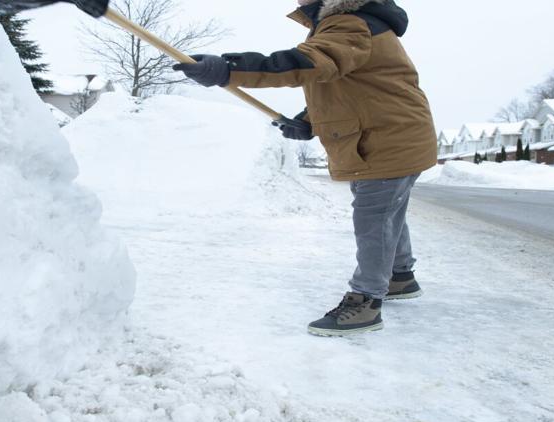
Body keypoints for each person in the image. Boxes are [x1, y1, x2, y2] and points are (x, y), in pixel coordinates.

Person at [173, 1, 436, 337]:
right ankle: (399, 276)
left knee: (375, 215)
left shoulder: (350, 24)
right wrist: (307, 121)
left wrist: (230, 69)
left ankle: (367, 300)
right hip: (389, 134)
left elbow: (309, 65)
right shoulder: (351, 23)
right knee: (385, 211)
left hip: (387, 138)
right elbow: (349, 86)